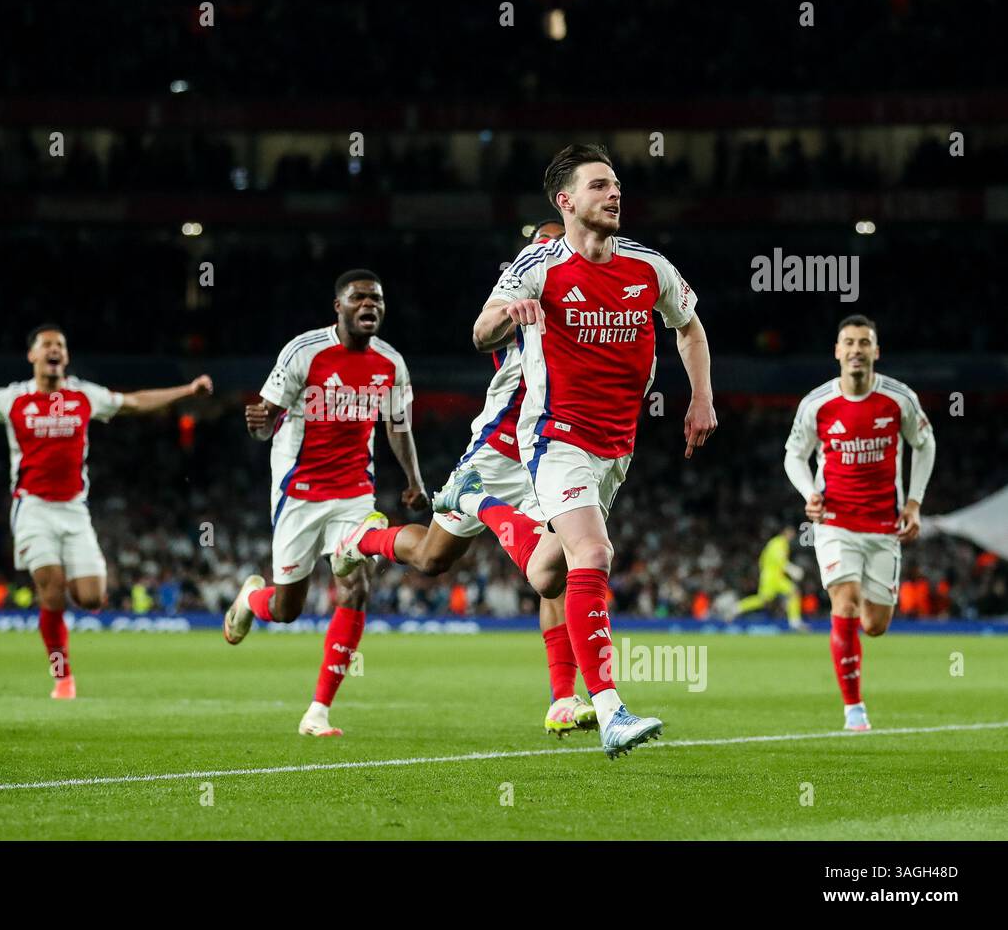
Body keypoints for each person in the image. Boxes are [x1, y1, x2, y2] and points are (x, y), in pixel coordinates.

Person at [435, 144, 718, 758]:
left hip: (618, 447)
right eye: (599, 186)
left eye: (616, 185)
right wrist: (509, 312)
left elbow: (689, 326)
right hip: (557, 436)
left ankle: (478, 500)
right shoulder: (538, 266)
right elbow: (480, 330)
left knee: (549, 571)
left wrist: (701, 397)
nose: (614, 194)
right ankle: (610, 709)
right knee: (594, 550)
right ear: (566, 202)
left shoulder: (649, 268)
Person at [331, 220, 596, 736]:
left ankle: (563, 698)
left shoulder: (593, 300)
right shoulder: (519, 298)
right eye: (541, 247)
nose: (550, 253)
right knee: (432, 560)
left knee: (557, 571)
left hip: (555, 455)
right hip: (498, 453)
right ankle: (362, 539)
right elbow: (484, 331)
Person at [0, 326, 211, 698]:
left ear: (66, 358)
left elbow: (135, 402)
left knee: (90, 598)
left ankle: (66, 605)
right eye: (47, 345)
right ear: (32, 356)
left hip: (74, 510)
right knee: (52, 588)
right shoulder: (12, 398)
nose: (54, 350)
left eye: (60, 346)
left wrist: (187, 391)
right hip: (33, 508)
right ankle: (63, 676)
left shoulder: (85, 395)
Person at [223, 269, 424, 737]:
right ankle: (252, 600)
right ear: (339, 306)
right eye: (359, 298)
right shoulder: (303, 352)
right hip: (300, 493)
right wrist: (255, 425)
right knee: (288, 608)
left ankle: (318, 712)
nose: (369, 305)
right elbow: (263, 423)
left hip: (355, 494)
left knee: (356, 589)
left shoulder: (391, 363)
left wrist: (414, 480)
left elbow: (398, 425)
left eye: (377, 299)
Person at [784, 314, 935, 731]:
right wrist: (808, 494)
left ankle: (856, 683)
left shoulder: (898, 399)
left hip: (885, 526)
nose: (855, 350)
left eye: (863, 343)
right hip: (834, 522)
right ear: (837, 352)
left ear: (875, 352)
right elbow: (794, 454)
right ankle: (854, 709)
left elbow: (925, 443)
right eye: (848, 343)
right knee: (844, 601)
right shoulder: (817, 404)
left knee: (874, 625)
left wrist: (915, 503)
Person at [733, 526, 807, 630]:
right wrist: (791, 569)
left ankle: (795, 621)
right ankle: (738, 607)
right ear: (784, 532)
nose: (792, 536)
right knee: (764, 600)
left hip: (776, 576)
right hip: (771, 577)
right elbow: (779, 559)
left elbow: (763, 560)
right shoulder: (778, 543)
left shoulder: (780, 543)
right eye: (790, 533)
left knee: (794, 592)